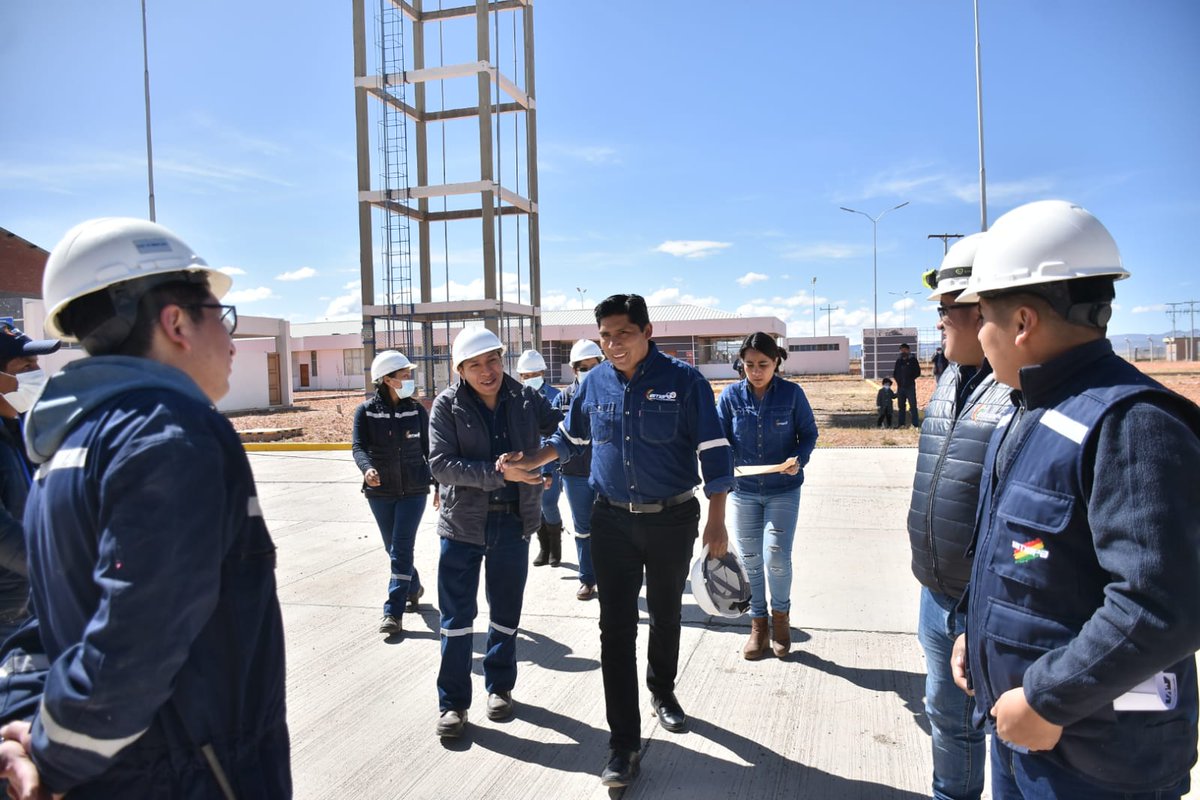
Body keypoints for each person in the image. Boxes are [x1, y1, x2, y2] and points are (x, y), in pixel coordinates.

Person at [0, 217, 291, 797]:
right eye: (221, 317)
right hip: (187, 775)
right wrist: (55, 758)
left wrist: (24, 721)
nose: (231, 341)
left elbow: (49, 617)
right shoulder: (170, 436)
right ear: (176, 321)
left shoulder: (67, 448)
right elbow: (140, 626)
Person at [949, 200, 1200, 798]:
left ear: (1022, 322)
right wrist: (975, 633)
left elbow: (1159, 606)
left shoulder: (1132, 425)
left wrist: (1045, 699)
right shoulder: (1035, 408)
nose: (979, 336)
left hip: (1093, 759)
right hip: (1026, 731)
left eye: (982, 316)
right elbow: (1022, 553)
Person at [520, 293, 734, 788]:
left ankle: (662, 689)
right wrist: (526, 462)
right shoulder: (592, 383)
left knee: (664, 614)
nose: (613, 345)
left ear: (647, 331)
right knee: (614, 630)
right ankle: (624, 743)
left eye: (623, 333)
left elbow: (715, 452)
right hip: (610, 521)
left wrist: (717, 520)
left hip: (672, 520)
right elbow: (567, 442)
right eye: (605, 336)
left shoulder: (685, 382)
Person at [907, 232, 1011, 800]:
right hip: (938, 592)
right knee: (947, 721)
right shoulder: (951, 378)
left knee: (1007, 734)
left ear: (988, 310)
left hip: (994, 607)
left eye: (948, 311)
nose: (939, 322)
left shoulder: (1021, 389)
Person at [427, 329, 561, 739]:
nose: (487, 371)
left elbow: (562, 429)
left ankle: (500, 687)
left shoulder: (525, 399)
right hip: (462, 525)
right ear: (461, 370)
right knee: (456, 618)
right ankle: (453, 704)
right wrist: (499, 471)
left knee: (505, 612)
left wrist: (544, 463)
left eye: (493, 360)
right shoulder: (446, 406)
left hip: (511, 522)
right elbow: (441, 465)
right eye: (475, 365)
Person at [716, 332, 817, 660]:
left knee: (775, 556)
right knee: (750, 561)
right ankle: (757, 625)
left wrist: (798, 459)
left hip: (783, 490)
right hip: (744, 492)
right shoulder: (730, 397)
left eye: (763, 364)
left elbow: (808, 434)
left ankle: (781, 620)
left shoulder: (792, 394)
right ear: (740, 364)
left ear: (777, 363)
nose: (756, 371)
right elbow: (720, 439)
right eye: (749, 365)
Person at [353, 349, 434, 637]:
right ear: (387, 379)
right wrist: (367, 469)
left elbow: (429, 450)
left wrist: (436, 484)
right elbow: (358, 447)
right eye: (404, 375)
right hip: (380, 492)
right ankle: (413, 586)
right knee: (393, 549)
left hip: (414, 490)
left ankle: (393, 612)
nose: (409, 379)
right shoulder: (366, 412)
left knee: (401, 549)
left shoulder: (416, 410)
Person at [0, 325, 60, 644]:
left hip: (28, 601)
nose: (37, 375)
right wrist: (61, 567)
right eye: (25, 367)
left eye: (37, 364)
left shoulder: (24, 424)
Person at [557, 339, 604, 600]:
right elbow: (552, 436)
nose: (587, 371)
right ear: (574, 369)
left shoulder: (610, 393)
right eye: (581, 367)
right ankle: (587, 578)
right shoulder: (564, 399)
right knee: (583, 527)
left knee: (608, 527)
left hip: (606, 474)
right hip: (574, 474)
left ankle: (609, 575)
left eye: (592, 366)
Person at [516, 349, 564, 568]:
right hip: (528, 461)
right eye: (525, 375)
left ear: (543, 372)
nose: (529, 378)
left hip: (551, 461)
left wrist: (547, 468)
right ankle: (543, 548)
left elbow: (554, 435)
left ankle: (555, 548)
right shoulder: (518, 398)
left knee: (548, 503)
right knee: (536, 505)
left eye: (534, 373)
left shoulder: (554, 396)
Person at [892, 342, 922, 428]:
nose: (903, 351)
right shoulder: (899, 361)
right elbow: (895, 373)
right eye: (901, 350)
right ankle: (901, 424)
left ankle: (915, 424)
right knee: (901, 406)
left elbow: (917, 372)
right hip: (900, 387)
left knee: (912, 406)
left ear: (908, 350)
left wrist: (909, 379)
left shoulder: (913, 360)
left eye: (904, 350)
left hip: (910, 387)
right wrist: (899, 381)